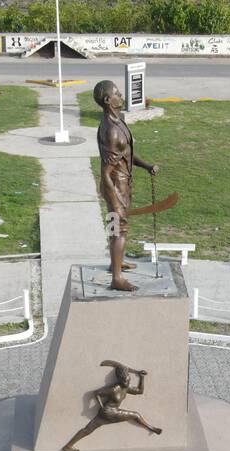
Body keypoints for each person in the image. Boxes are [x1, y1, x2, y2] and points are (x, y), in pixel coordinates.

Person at [93, 79, 159, 292]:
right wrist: (115, 201)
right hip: (114, 187)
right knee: (118, 230)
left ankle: (116, 263)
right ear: (107, 100)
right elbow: (105, 172)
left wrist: (147, 165)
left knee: (118, 230)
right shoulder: (111, 131)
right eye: (117, 93)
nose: (121, 95)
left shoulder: (118, 121)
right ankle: (117, 278)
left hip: (122, 185)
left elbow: (126, 154)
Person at [61, 360, 163, 451]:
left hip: (108, 413)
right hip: (109, 412)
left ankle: (68, 446)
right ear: (120, 380)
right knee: (135, 415)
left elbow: (140, 391)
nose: (127, 382)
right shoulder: (114, 389)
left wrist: (142, 377)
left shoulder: (126, 388)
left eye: (129, 380)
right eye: (125, 381)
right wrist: (94, 407)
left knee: (88, 429)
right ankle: (152, 428)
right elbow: (97, 393)